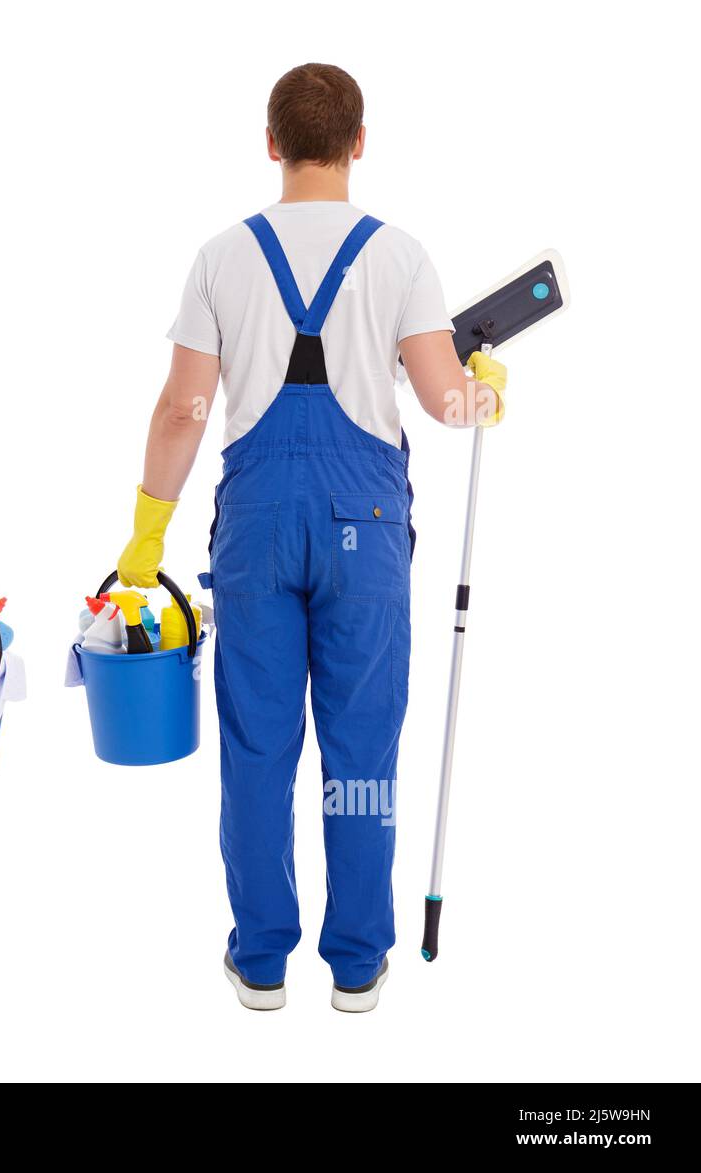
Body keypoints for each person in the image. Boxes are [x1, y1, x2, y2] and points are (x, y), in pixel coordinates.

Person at [114, 63, 506, 1013]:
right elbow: (448, 401)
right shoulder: (401, 257)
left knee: (258, 746)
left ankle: (259, 960)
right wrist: (483, 381)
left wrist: (145, 539)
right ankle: (359, 962)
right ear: (359, 143)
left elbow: (181, 411)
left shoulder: (221, 256)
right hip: (366, 534)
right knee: (361, 748)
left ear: (271, 142)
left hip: (253, 528)